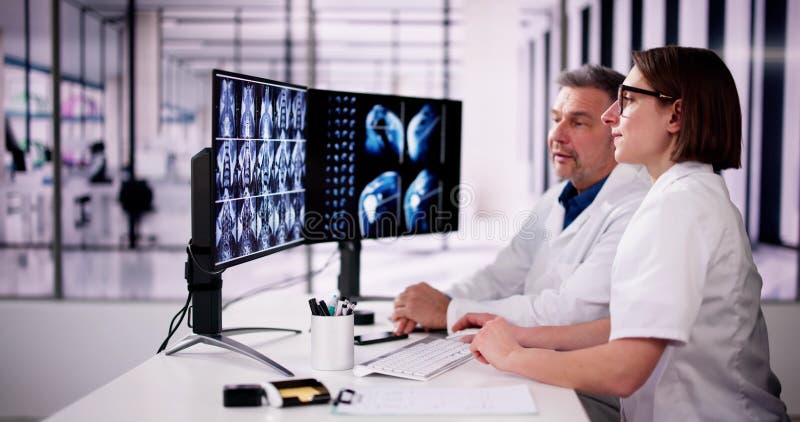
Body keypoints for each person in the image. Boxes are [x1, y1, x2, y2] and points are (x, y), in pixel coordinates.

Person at [458, 46, 788, 421]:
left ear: (675, 115)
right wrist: (523, 334)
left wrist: (513, 356)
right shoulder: (680, 195)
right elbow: (633, 324)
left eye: (627, 100)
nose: (610, 115)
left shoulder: (679, 208)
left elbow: (623, 370)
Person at [392, 64, 650, 334]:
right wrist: (439, 302)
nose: (557, 136)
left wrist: (449, 312)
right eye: (556, 119)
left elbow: (575, 312)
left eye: (578, 122)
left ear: (615, 129)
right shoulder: (555, 198)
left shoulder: (635, 207)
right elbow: (502, 278)